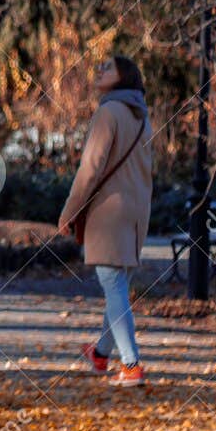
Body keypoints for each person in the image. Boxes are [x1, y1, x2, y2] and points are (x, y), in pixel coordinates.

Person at [58, 54, 154, 387]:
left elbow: (90, 169)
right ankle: (100, 354)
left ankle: (131, 365)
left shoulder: (108, 112)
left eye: (108, 68)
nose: (100, 71)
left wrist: (69, 212)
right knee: (117, 287)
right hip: (136, 213)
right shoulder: (142, 118)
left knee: (113, 287)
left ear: (123, 78)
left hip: (109, 212)